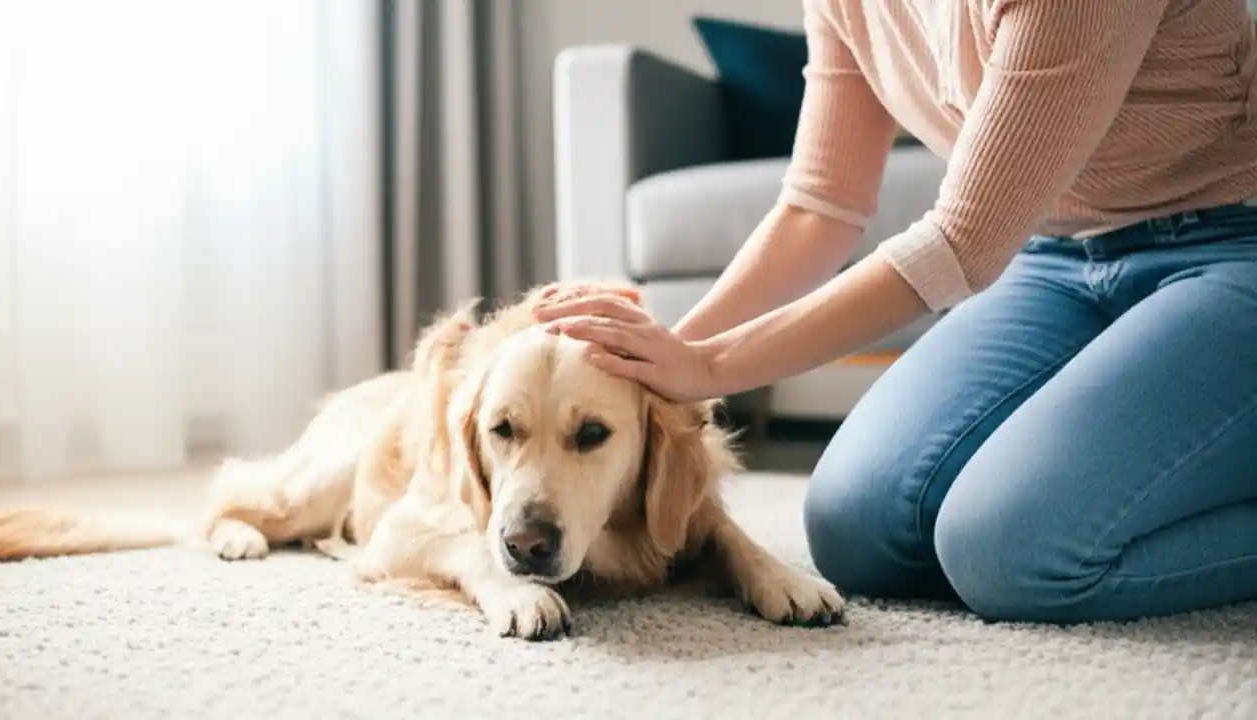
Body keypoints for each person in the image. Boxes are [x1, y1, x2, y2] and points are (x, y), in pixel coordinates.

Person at [534, 0, 1257, 625]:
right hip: (1053, 261)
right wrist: (663, 358)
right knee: (857, 529)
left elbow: (962, 242)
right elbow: (820, 206)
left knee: (1013, 552)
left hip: (1234, 247)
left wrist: (711, 365)